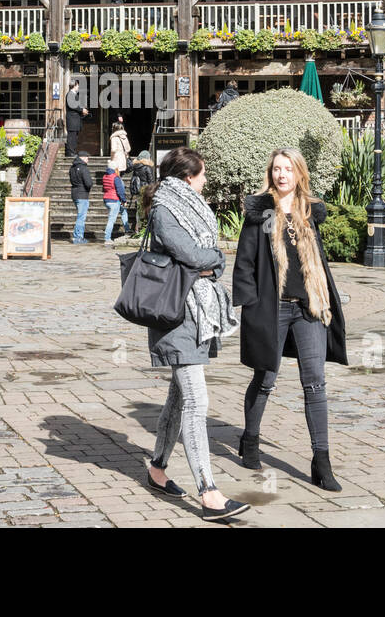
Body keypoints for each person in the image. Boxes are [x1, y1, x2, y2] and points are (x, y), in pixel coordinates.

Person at [142, 147, 251, 522]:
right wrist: (217, 258)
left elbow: (197, 255)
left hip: (195, 311)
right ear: (188, 176)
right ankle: (208, 491)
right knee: (196, 402)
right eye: (202, 175)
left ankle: (157, 467)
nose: (205, 181)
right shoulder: (164, 208)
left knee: (178, 397)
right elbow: (191, 253)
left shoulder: (187, 205)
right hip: (176, 314)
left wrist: (210, 259)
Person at [233, 147, 348, 491]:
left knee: (315, 382)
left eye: (288, 169)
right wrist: (251, 306)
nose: (282, 175)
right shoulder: (261, 213)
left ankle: (321, 460)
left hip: (309, 306)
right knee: (265, 379)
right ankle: (250, 439)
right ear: (270, 174)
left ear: (299, 174)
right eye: (277, 169)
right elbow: (244, 264)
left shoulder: (310, 212)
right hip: (273, 308)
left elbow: (317, 260)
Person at [102, 165, 130, 245]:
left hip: (107, 199)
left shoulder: (105, 176)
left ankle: (127, 229)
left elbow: (104, 188)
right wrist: (124, 200)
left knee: (123, 211)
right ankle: (107, 238)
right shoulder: (115, 177)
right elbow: (120, 191)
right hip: (114, 200)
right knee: (111, 219)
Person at [128, 150, 156, 229]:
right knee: (147, 207)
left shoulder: (136, 167)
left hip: (138, 189)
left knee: (139, 208)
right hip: (146, 189)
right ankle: (146, 226)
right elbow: (151, 181)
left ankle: (138, 226)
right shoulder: (147, 167)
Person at [69, 152, 92, 245]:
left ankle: (78, 236)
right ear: (82, 158)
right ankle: (78, 237)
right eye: (87, 158)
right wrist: (88, 187)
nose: (88, 160)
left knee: (80, 216)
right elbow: (88, 183)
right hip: (82, 194)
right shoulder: (83, 168)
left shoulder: (72, 167)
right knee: (81, 217)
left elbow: (72, 180)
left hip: (74, 193)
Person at [65, 80, 89, 157]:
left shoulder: (74, 94)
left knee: (75, 136)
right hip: (72, 120)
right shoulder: (70, 94)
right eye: (78, 85)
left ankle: (73, 151)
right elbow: (72, 105)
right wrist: (82, 110)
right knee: (72, 136)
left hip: (76, 119)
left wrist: (83, 109)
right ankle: (71, 152)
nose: (78, 87)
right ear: (74, 85)